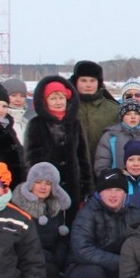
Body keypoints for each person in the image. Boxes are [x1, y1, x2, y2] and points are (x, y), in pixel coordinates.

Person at [65, 169, 140, 278]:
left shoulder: (136, 214)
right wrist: (120, 261)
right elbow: (82, 249)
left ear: (125, 193)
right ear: (100, 192)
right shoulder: (87, 213)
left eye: (118, 190)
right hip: (85, 269)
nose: (113, 194)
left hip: (119, 270)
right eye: (108, 189)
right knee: (93, 273)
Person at [10, 161, 77, 278]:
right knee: (47, 271)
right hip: (25, 262)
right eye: (39, 182)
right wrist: (44, 257)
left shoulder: (55, 207)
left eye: (48, 183)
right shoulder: (17, 209)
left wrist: (59, 257)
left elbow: (62, 239)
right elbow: (17, 242)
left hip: (51, 260)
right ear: (30, 183)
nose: (43, 187)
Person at [23, 76, 93, 225]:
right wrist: (34, 184)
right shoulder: (36, 124)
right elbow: (31, 157)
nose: (58, 101)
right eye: (53, 98)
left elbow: (83, 156)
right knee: (50, 223)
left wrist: (86, 185)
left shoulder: (75, 124)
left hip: (73, 183)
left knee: (71, 222)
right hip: (45, 185)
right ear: (45, 101)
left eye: (61, 97)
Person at [93, 101, 140, 180]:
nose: (133, 117)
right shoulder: (110, 137)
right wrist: (112, 184)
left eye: (136, 114)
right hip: (118, 188)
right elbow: (102, 165)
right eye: (128, 114)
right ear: (122, 117)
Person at [70, 60, 121, 162]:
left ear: (99, 83)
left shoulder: (114, 109)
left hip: (104, 166)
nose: (88, 85)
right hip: (75, 167)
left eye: (92, 80)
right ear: (76, 82)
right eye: (83, 80)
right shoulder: (67, 107)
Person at [4, 78, 33, 144]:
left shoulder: (28, 122)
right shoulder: (0, 123)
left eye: (22, 96)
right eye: (14, 95)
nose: (18, 99)